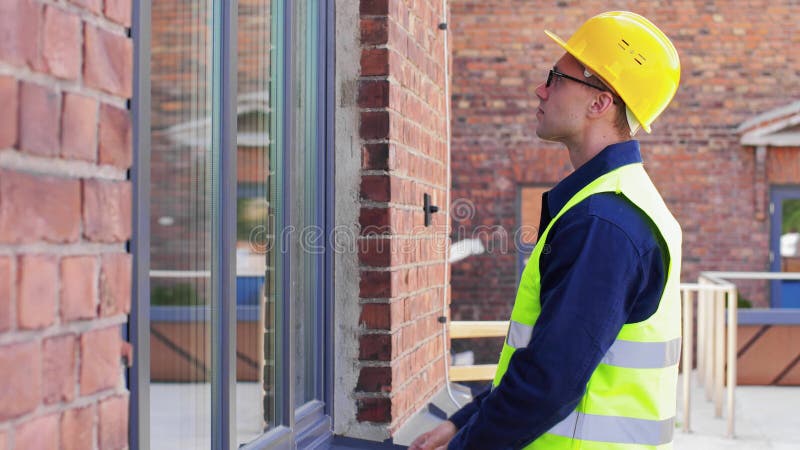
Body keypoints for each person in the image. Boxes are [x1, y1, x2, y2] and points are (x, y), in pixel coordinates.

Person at [410, 11, 683, 450]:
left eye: (556, 77)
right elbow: (550, 355)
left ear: (599, 102)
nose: (541, 89)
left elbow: (549, 381)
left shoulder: (603, 222)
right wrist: (466, 420)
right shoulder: (614, 203)